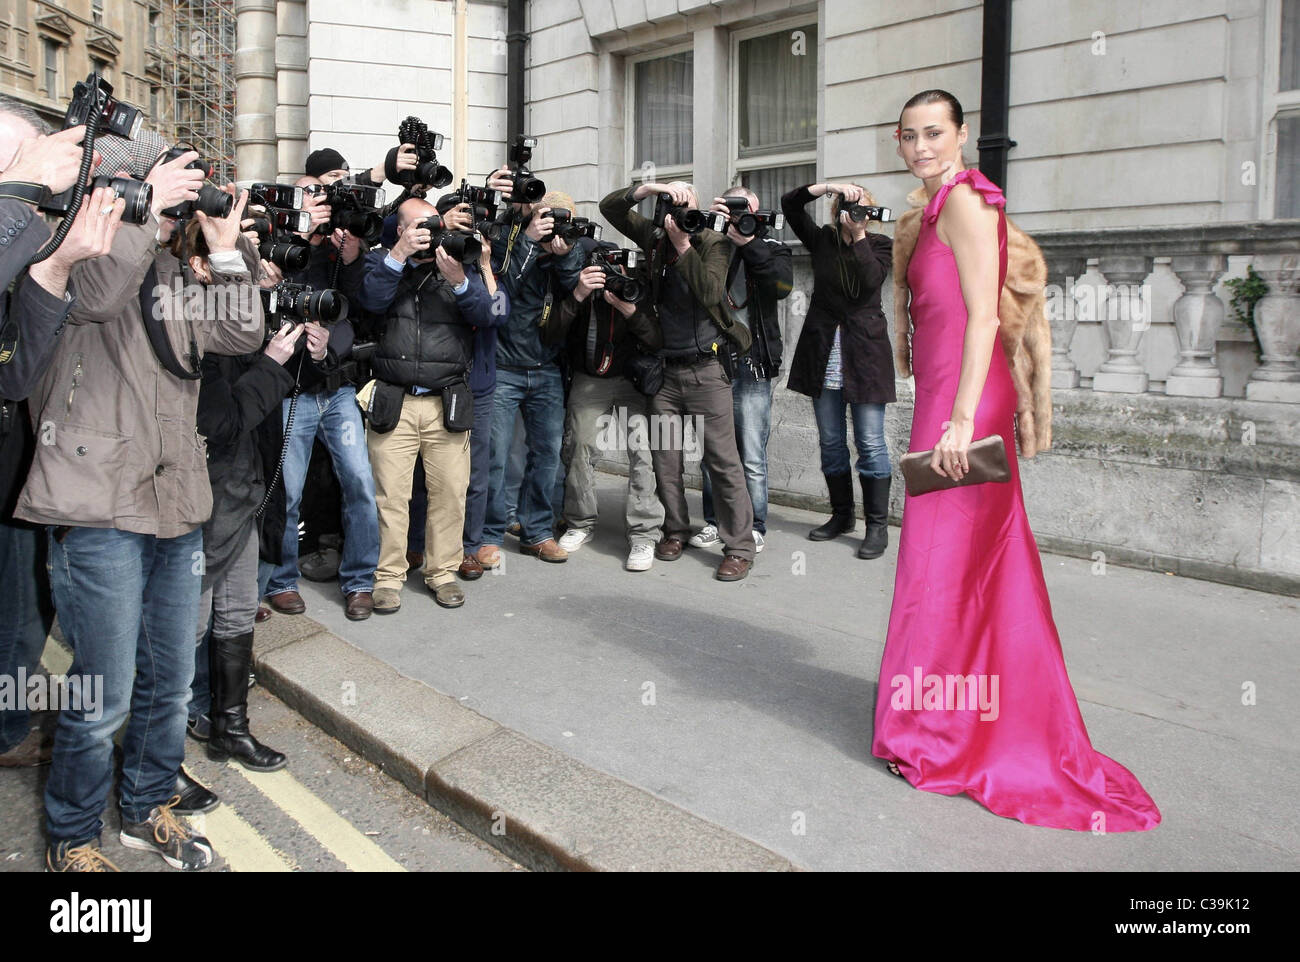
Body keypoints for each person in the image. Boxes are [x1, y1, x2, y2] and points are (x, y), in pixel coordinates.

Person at [871, 89, 1160, 831]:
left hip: (967, 404)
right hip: (948, 397)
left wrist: (962, 417)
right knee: (962, 567)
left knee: (946, 563)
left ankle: (948, 731)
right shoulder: (930, 211)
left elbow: (982, 317)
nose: (921, 146)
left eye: (934, 132)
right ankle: (948, 717)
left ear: (961, 135)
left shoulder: (968, 203)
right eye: (909, 136)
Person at [18, 140, 263, 871]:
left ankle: (146, 806)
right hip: (98, 504)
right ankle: (71, 836)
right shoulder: (66, 248)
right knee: (105, 690)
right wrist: (146, 213)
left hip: (175, 498)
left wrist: (225, 253)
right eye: (156, 178)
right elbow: (93, 299)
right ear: (114, 184)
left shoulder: (165, 269)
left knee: (166, 678)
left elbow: (240, 332)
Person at [0, 104, 121, 767]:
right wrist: (17, 193)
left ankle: (8, 724)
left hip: (15, 466)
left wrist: (52, 269)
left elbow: (16, 374)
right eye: (20, 167)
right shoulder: (13, 213)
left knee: (24, 608)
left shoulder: (24, 232)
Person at [599, 180, 755, 582]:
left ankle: (738, 547)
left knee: (722, 462)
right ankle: (675, 530)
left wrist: (684, 245)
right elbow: (610, 208)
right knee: (665, 460)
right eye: (672, 205)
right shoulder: (653, 237)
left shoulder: (713, 242)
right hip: (665, 371)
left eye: (686, 205)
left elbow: (711, 291)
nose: (678, 214)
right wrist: (649, 187)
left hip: (706, 370)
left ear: (697, 209)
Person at [187, 216, 298, 775]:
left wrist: (297, 356)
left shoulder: (236, 326)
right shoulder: (189, 328)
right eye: (243, 274)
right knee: (190, 624)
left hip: (241, 492)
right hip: (201, 498)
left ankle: (231, 726)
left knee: (234, 616)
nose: (253, 286)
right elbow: (222, 420)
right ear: (202, 268)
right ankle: (165, 742)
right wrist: (273, 366)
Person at [357, 197, 497, 612]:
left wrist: (458, 280)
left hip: (446, 401)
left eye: (432, 225)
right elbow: (370, 302)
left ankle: (442, 572)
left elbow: (489, 317)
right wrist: (399, 255)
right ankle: (387, 577)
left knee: (450, 494)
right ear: (398, 229)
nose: (428, 234)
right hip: (395, 400)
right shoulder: (381, 264)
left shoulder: (457, 264)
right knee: (390, 496)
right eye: (417, 226)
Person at [262, 162, 379, 622]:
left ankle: (359, 581)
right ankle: (280, 580)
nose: (316, 206)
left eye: (321, 198)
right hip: (290, 392)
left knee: (361, 484)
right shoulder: (276, 252)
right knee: (287, 493)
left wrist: (333, 342)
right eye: (306, 197)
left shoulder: (337, 253)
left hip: (336, 391)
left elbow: (359, 312)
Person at [781, 178, 895, 559]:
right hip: (825, 353)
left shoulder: (880, 245)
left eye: (863, 207)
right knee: (831, 442)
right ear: (838, 212)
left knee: (870, 442)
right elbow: (790, 204)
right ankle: (841, 515)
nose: (856, 214)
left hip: (865, 356)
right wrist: (826, 186)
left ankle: (877, 526)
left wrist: (859, 235)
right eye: (850, 208)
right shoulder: (823, 241)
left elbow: (870, 281)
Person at [482, 179, 583, 567]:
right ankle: (490, 535)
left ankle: (537, 531)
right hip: (505, 368)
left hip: (545, 370)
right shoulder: (510, 241)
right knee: (495, 457)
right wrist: (528, 240)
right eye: (548, 218)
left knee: (546, 455)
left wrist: (564, 254)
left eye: (562, 221)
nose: (555, 227)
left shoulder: (565, 252)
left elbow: (575, 289)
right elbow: (503, 288)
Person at [690, 186, 793, 555]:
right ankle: (715, 522)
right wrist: (714, 231)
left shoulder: (772, 248)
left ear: (757, 211)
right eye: (731, 208)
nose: (738, 215)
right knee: (713, 451)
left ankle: (756, 524)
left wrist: (749, 243)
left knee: (751, 452)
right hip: (712, 361)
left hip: (753, 364)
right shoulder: (711, 244)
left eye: (744, 209)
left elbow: (781, 287)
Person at [551, 245, 664, 571]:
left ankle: (644, 533)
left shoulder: (638, 289)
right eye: (608, 270)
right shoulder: (583, 290)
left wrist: (631, 311)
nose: (615, 278)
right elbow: (553, 332)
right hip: (591, 379)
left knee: (642, 452)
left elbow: (657, 340)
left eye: (621, 268)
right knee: (580, 449)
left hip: (632, 381)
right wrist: (579, 293)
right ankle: (579, 522)